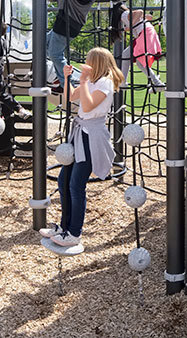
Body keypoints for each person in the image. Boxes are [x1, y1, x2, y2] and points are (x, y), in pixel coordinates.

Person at [39, 48, 124, 247]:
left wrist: (84, 80)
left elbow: (88, 105)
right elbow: (71, 97)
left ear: (97, 63)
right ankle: (63, 226)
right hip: (80, 132)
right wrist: (68, 78)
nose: (85, 64)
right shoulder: (93, 81)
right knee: (63, 180)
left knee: (76, 185)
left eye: (88, 61)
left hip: (91, 136)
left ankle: (74, 232)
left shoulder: (105, 83)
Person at [46, 0, 106, 91]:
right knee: (44, 43)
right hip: (76, 25)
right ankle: (55, 75)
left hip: (63, 23)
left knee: (55, 54)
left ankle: (67, 84)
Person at [119, 8, 164, 92]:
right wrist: (146, 17)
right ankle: (157, 83)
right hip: (146, 33)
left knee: (129, 56)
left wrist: (131, 25)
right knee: (138, 61)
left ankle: (123, 82)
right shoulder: (129, 15)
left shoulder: (124, 14)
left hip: (145, 33)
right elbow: (142, 16)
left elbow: (140, 11)